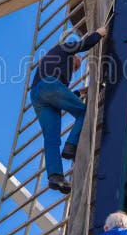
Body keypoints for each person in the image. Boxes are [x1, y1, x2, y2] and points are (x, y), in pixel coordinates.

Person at [30, 27, 107, 194]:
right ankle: (71, 146)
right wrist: (99, 33)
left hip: (38, 96)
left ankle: (55, 177)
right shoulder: (65, 49)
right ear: (74, 57)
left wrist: (84, 91)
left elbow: (61, 95)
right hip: (49, 86)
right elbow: (84, 45)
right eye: (76, 64)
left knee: (51, 139)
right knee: (83, 112)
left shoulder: (53, 62)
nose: (76, 69)